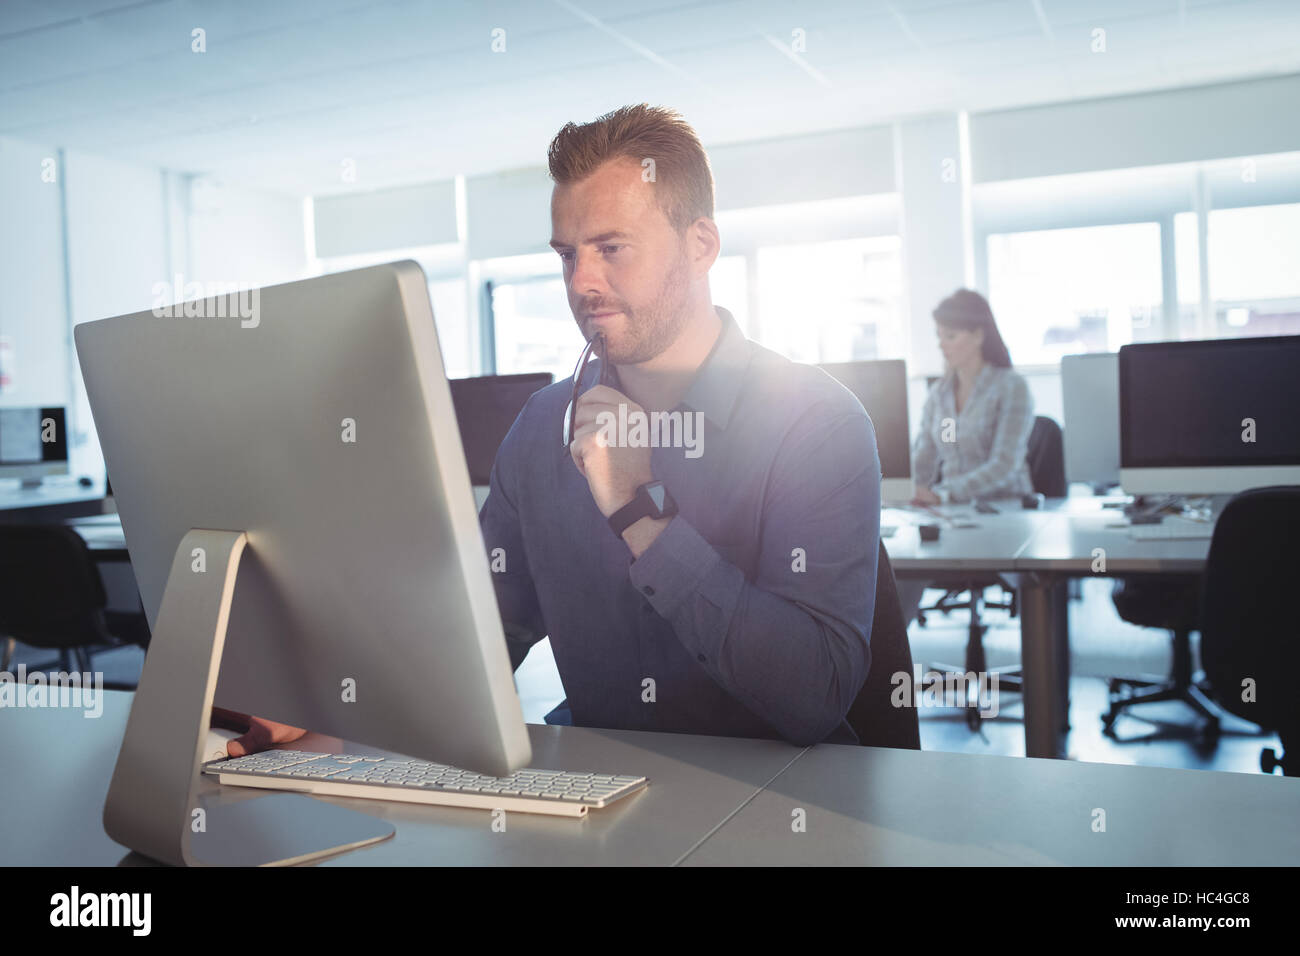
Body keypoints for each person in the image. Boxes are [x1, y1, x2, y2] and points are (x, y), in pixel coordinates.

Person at [224, 104, 882, 755]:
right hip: (611, 797)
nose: (581, 283)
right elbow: (478, 640)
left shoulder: (816, 423)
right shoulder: (544, 426)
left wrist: (641, 509)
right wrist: (331, 710)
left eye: (612, 249)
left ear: (700, 244)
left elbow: (815, 696)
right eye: (568, 255)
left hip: (787, 807)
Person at [897, 289, 1034, 627]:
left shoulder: (1010, 387)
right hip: (952, 517)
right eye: (939, 336)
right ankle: (883, 664)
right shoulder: (940, 395)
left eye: (950, 335)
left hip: (1004, 514)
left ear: (977, 335)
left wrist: (944, 494)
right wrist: (904, 488)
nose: (942, 344)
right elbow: (925, 459)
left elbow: (1004, 465)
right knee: (897, 566)